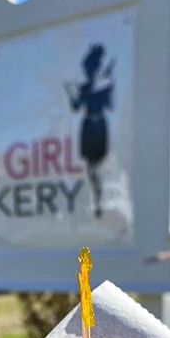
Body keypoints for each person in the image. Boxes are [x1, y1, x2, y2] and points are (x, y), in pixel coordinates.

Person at [65, 45, 114, 219]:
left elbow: (110, 105)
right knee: (90, 168)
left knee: (100, 167)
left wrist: (106, 88)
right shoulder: (85, 87)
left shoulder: (105, 84)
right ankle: (95, 202)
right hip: (88, 127)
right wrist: (71, 93)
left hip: (99, 125)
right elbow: (76, 106)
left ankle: (101, 202)